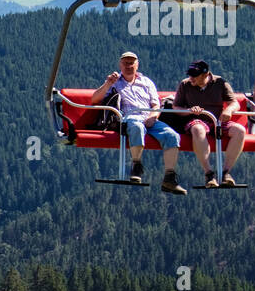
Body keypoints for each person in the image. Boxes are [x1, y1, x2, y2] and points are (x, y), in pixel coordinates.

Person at [96, 51, 186, 194]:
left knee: (172, 136)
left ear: (137, 65)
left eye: (131, 63)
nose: (128, 66)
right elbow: (94, 100)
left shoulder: (146, 82)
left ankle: (169, 177)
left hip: (149, 118)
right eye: (125, 63)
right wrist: (107, 84)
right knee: (137, 126)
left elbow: (156, 105)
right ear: (120, 65)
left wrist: (153, 117)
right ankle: (136, 165)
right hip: (128, 118)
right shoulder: (115, 82)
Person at [171, 60, 245, 188]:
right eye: (190, 75)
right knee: (198, 129)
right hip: (197, 120)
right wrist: (188, 111)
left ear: (205, 75)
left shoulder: (220, 83)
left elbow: (234, 103)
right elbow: (176, 107)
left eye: (195, 75)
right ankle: (209, 173)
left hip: (217, 121)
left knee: (240, 130)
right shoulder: (185, 85)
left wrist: (228, 110)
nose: (191, 78)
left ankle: (226, 172)